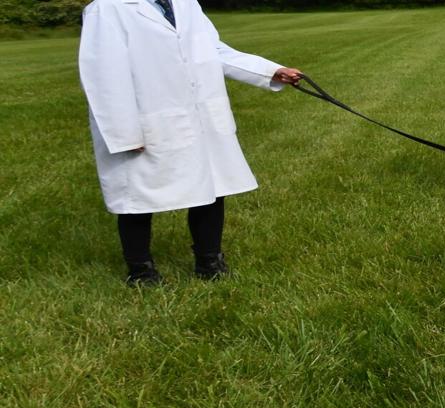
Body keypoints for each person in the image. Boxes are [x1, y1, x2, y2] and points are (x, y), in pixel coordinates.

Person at [78, 0, 302, 286]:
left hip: (200, 115)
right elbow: (103, 77)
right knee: (136, 195)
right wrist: (124, 132)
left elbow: (214, 50)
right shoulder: (107, 8)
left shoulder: (186, 3)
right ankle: (140, 270)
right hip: (146, 118)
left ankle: (210, 262)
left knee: (213, 186)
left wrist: (270, 70)